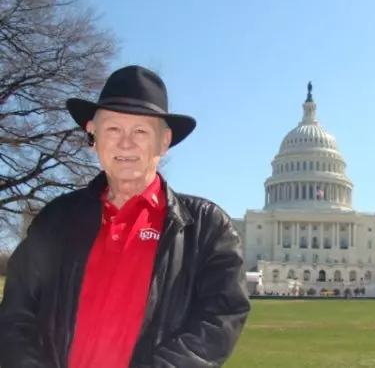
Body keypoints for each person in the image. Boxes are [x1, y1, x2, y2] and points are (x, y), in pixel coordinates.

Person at [0, 65, 250, 368]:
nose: (126, 143)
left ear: (164, 141)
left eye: (141, 131)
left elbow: (219, 319)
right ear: (93, 135)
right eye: (113, 129)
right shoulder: (56, 220)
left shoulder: (207, 228)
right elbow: (16, 311)